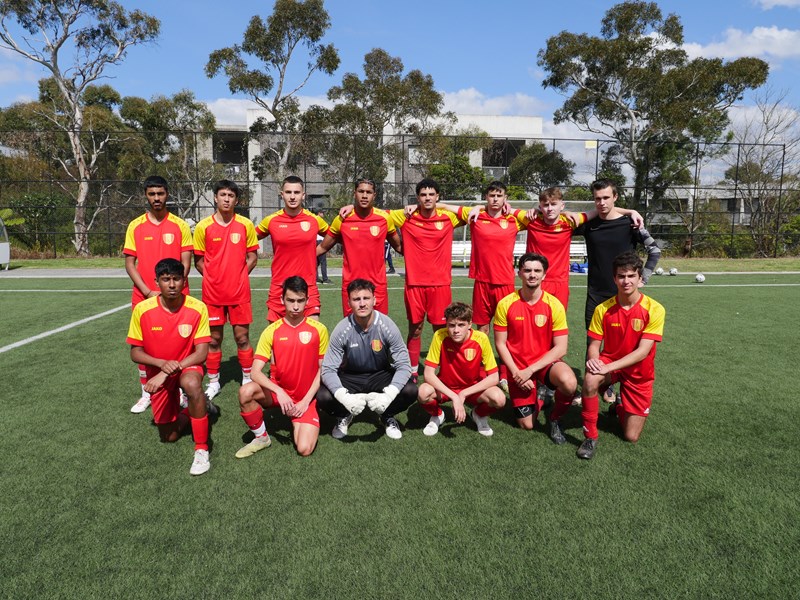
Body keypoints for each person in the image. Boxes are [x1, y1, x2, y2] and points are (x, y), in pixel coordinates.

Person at [573, 179, 661, 403]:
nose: (602, 203)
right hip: (596, 294)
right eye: (597, 198)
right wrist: (630, 208)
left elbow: (655, 251)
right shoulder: (589, 225)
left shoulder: (630, 224)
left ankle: (622, 389)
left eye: (606, 197)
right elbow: (564, 219)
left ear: (615, 197)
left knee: (626, 345)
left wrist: (645, 279)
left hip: (625, 296)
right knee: (593, 344)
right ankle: (595, 386)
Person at [126, 258, 212, 476]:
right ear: (157, 282)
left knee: (192, 384)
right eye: (166, 280)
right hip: (158, 374)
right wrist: (161, 366)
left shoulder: (197, 307)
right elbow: (135, 352)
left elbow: (201, 353)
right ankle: (199, 407)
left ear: (184, 281)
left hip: (187, 368)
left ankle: (202, 449)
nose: (172, 284)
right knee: (169, 437)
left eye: (176, 279)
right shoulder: (142, 310)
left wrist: (168, 370)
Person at [577, 251, 666, 460]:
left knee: (630, 436)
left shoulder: (654, 309)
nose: (626, 281)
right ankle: (590, 436)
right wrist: (594, 362)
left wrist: (607, 367)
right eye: (621, 276)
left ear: (639, 278)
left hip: (639, 372)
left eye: (631, 276)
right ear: (614, 279)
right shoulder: (602, 309)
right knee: (590, 380)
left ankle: (618, 406)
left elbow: (643, 352)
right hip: (610, 362)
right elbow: (594, 344)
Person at [235, 276, 329, 458]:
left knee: (304, 449)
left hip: (306, 397)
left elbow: (323, 370)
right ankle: (261, 437)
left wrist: (304, 401)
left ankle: (299, 417)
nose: (295, 306)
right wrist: (279, 391)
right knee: (245, 392)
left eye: (300, 301)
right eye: (291, 300)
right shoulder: (272, 330)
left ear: (307, 301)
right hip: (280, 393)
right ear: (282, 300)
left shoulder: (319, 329)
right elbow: (255, 372)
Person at [124, 175, 192, 414]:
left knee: (180, 344)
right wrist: (147, 291)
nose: (156, 198)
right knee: (143, 346)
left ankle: (181, 392)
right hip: (144, 295)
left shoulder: (180, 225)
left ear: (167, 195)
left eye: (160, 194)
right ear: (146, 195)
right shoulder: (135, 226)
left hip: (175, 296)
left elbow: (186, 263)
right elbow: (130, 263)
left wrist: (172, 290)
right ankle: (146, 393)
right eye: (152, 194)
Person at [316, 279, 417, 440]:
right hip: (351, 376)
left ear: (374, 300)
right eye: (356, 299)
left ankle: (386, 415)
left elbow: (404, 365)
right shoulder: (342, 329)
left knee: (411, 390)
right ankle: (344, 414)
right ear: (349, 302)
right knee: (322, 395)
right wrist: (344, 397)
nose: (362, 304)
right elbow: (328, 369)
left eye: (366, 298)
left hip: (380, 374)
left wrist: (389, 395)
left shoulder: (387, 326)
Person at [494, 253, 578, 443]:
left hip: (544, 364)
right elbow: (500, 343)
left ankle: (555, 419)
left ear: (544, 275)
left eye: (537, 271)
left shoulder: (554, 304)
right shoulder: (505, 304)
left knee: (569, 382)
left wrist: (530, 370)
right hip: (517, 367)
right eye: (527, 270)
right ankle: (541, 396)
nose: (532, 275)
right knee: (527, 425)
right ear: (519, 273)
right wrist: (517, 373)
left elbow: (561, 348)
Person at [193, 179, 259, 401]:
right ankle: (213, 383)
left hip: (239, 293)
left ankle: (248, 378)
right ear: (215, 197)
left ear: (236, 200)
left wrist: (238, 276)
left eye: (231, 196)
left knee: (242, 338)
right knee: (213, 340)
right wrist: (214, 278)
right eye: (223, 195)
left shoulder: (245, 225)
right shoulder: (203, 227)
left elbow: (252, 257)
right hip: (213, 295)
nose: (227, 199)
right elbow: (199, 261)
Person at [417, 302, 506, 437]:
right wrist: (454, 396)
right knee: (423, 392)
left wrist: (463, 394)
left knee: (499, 398)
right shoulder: (440, 336)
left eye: (461, 325)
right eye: (451, 325)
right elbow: (428, 374)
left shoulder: (480, 338)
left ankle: (478, 414)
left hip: (472, 388)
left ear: (470, 324)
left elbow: (494, 377)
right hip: (447, 387)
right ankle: (437, 415)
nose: (456, 330)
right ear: (446, 324)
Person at [317, 178, 402, 316]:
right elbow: (322, 247)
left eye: (368, 192)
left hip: (377, 286)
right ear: (354, 193)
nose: (364, 195)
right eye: (361, 191)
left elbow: (399, 247)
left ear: (374, 195)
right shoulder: (342, 219)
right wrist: (297, 261)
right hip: (351, 286)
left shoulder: (384, 219)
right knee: (352, 331)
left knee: (378, 331)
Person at [256, 176, 330, 321]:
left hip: (308, 286)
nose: (292, 196)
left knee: (311, 338)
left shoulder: (314, 220)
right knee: (278, 341)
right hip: (279, 287)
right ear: (281, 194)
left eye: (296, 193)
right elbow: (247, 237)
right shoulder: (271, 220)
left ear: (303, 195)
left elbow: (334, 235)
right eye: (288, 192)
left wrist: (318, 250)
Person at [316, 211, 331, 284]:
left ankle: (316, 278)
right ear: (318, 213)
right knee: (323, 262)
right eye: (322, 213)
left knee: (316, 262)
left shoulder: (313, 219)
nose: (323, 214)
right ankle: (325, 279)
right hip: (319, 242)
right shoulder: (318, 220)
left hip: (315, 242)